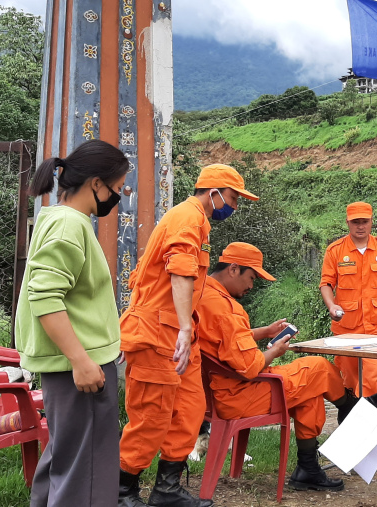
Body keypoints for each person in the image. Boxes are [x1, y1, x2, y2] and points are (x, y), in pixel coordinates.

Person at [118, 164, 258, 507]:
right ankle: (121, 492)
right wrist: (184, 327)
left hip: (178, 335)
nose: (234, 206)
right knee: (151, 417)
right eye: (233, 198)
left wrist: (185, 329)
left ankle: (167, 490)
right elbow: (180, 274)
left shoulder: (198, 222)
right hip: (158, 335)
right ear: (214, 192)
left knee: (191, 409)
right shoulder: (188, 218)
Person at [196, 242, 377, 492]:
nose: (251, 286)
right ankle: (351, 408)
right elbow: (250, 368)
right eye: (251, 278)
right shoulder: (226, 308)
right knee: (319, 368)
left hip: (217, 392)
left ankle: (308, 469)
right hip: (239, 394)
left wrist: (265, 332)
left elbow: (225, 339)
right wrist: (275, 351)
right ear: (233, 269)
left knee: (311, 391)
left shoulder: (203, 294)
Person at [15, 140, 129, 507]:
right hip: (79, 369)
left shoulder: (59, 218)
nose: (117, 197)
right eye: (117, 188)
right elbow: (45, 297)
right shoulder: (68, 226)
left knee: (68, 459)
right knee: (86, 472)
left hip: (78, 364)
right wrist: (81, 360)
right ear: (96, 184)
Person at [319, 202, 377, 402]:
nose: (361, 226)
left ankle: (359, 409)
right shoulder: (335, 251)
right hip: (346, 328)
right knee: (350, 378)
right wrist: (331, 305)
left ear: (372, 222)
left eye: (365, 221)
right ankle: (358, 410)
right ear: (348, 222)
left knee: (371, 373)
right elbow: (326, 283)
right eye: (356, 222)